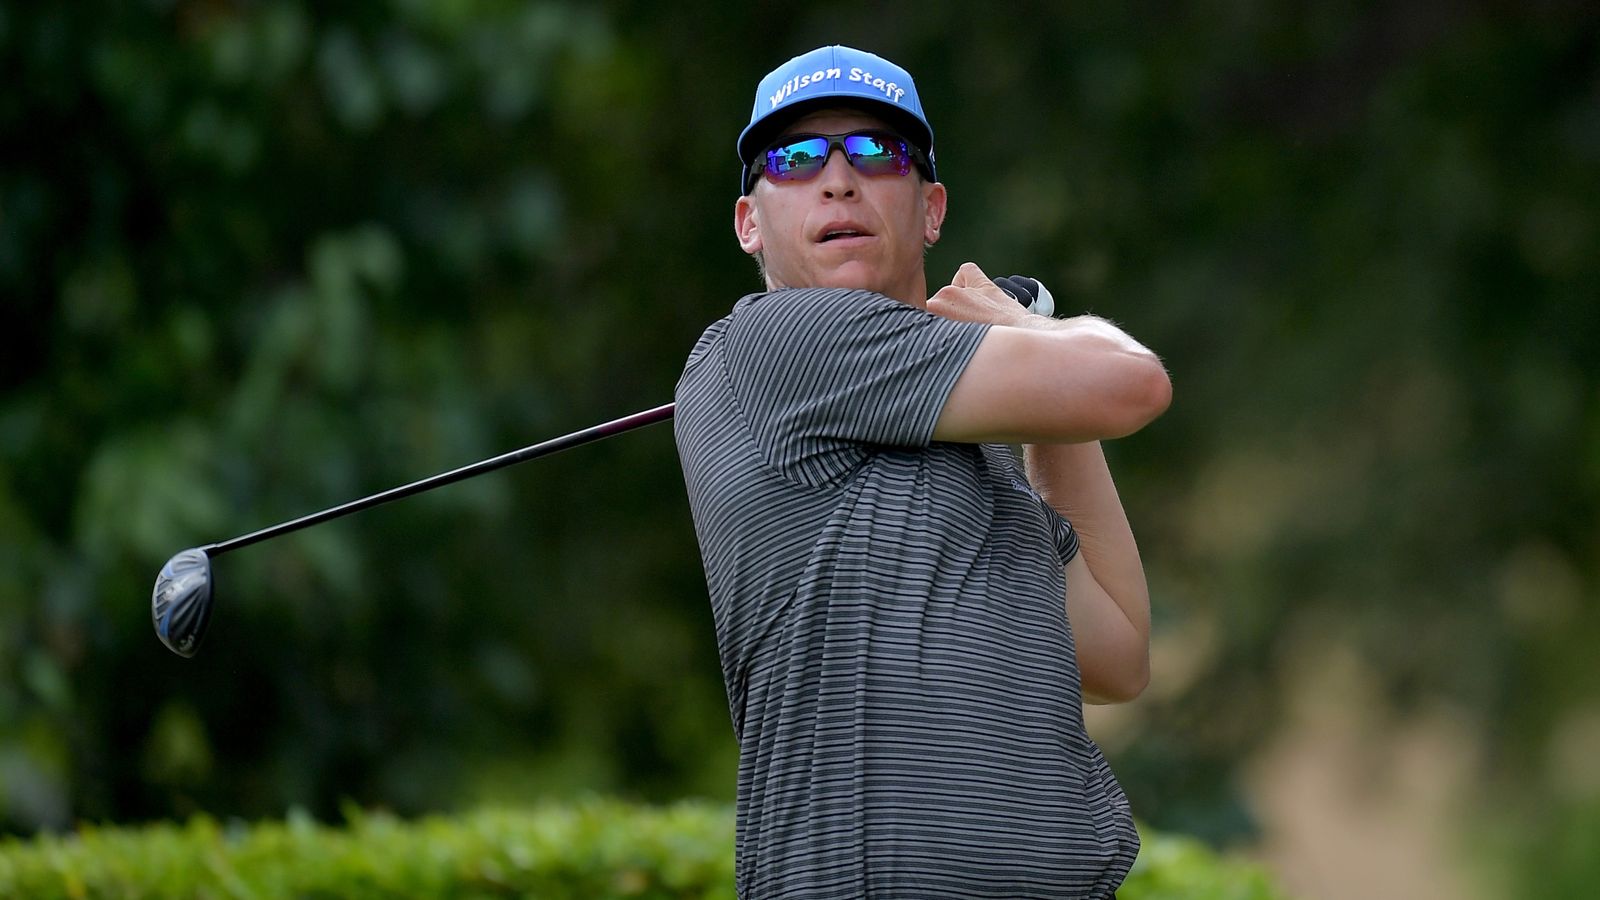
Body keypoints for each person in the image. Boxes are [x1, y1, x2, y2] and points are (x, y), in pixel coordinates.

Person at [674, 45, 1172, 899]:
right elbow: (1133, 382)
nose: (838, 180)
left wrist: (1039, 390)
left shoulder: (977, 450)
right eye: (795, 160)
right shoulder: (773, 342)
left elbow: (1117, 652)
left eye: (876, 153)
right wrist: (1039, 341)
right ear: (749, 223)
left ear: (931, 208)